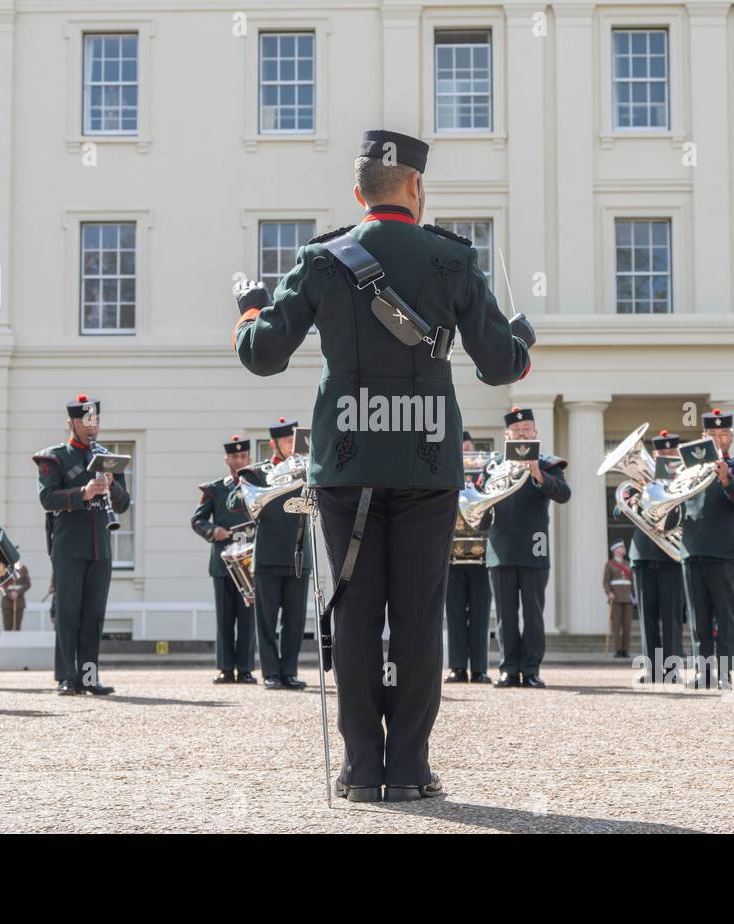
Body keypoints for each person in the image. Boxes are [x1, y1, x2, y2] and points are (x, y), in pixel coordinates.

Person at [232, 128, 533, 801]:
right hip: (427, 463)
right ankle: (411, 768)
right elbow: (500, 365)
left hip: (346, 462)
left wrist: (249, 309)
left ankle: (362, 767)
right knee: (421, 616)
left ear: (358, 193)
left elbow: (261, 353)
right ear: (416, 189)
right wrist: (520, 337)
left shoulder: (321, 258)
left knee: (355, 613)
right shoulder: (452, 260)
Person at [33, 394, 129, 696]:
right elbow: (47, 499)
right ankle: (66, 676)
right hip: (68, 545)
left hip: (100, 545)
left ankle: (88, 677)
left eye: (95, 421)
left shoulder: (107, 457)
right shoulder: (55, 457)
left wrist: (112, 486)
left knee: (93, 614)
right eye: (86, 421)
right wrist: (83, 494)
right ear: (71, 423)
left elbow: (124, 503)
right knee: (68, 612)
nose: (92, 427)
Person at [485, 407, 571, 688]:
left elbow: (563, 494)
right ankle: (509, 668)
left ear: (535, 433)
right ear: (507, 434)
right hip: (501, 546)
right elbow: (482, 505)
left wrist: (538, 474)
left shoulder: (548, 464)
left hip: (535, 545)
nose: (522, 433)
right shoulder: (494, 465)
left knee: (533, 613)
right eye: (516, 431)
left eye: (527, 430)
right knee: (506, 614)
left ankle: (531, 669)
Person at [681, 408, 734, 689]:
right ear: (704, 436)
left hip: (725, 553)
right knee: (698, 619)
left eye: (724, 434)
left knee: (726, 617)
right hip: (692, 551)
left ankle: (727, 673)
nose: (718, 439)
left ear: (731, 437)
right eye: (712, 434)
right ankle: (703, 673)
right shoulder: (688, 470)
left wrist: (727, 478)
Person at [240, 417, 311, 691]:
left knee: (294, 621)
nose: (292, 446)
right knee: (267, 620)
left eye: (295, 441)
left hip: (299, 552)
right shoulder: (257, 474)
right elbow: (239, 503)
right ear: (274, 444)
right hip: (269, 554)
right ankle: (270, 672)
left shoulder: (308, 470)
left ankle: (289, 672)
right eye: (286, 441)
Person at [619, 430, 686, 683]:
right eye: (662, 453)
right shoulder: (639, 481)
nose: (667, 456)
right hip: (644, 554)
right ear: (654, 455)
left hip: (672, 554)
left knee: (671, 616)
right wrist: (639, 496)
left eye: (672, 453)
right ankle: (651, 669)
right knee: (647, 616)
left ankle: (671, 669)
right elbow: (619, 510)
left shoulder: (684, 480)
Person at [191, 435, 257, 684]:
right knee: (225, 619)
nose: (239, 461)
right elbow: (197, 520)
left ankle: (247, 669)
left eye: (243, 456)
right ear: (226, 459)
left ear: (249, 458)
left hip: (249, 562)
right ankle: (226, 668)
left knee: (247, 620)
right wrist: (212, 531)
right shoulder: (215, 489)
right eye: (235, 457)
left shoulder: (257, 486)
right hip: (223, 563)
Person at [444, 432, 492, 684]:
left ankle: (480, 668)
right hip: (452, 555)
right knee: (454, 615)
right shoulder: (445, 470)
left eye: (468, 448)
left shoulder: (484, 475)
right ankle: (457, 667)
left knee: (481, 614)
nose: (466, 452)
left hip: (481, 555)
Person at [604, 540, 633, 658]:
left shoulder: (628, 564)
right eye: (622, 547)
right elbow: (606, 581)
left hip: (628, 597)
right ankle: (617, 650)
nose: (624, 549)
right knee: (616, 626)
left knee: (627, 625)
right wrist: (609, 592)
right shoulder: (610, 564)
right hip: (615, 597)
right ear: (615, 550)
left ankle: (625, 650)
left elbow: (632, 580)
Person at [0, 562, 31, 632]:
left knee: (17, 627)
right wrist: (9, 594)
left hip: (19, 602)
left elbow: (27, 584)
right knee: (7, 627)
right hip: (6, 603)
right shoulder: (2, 569)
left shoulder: (22, 568)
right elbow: (0, 585)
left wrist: (18, 592)